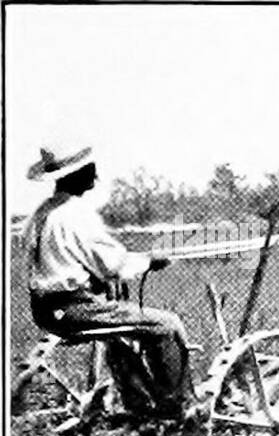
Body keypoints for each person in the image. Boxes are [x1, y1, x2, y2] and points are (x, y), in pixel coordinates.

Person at [23, 141, 194, 420]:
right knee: (167, 325)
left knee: (120, 337)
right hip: (76, 308)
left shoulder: (40, 214)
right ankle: (180, 408)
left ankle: (138, 401)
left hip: (46, 310)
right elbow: (112, 265)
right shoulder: (74, 213)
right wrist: (151, 260)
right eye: (90, 168)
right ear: (75, 174)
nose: (96, 174)